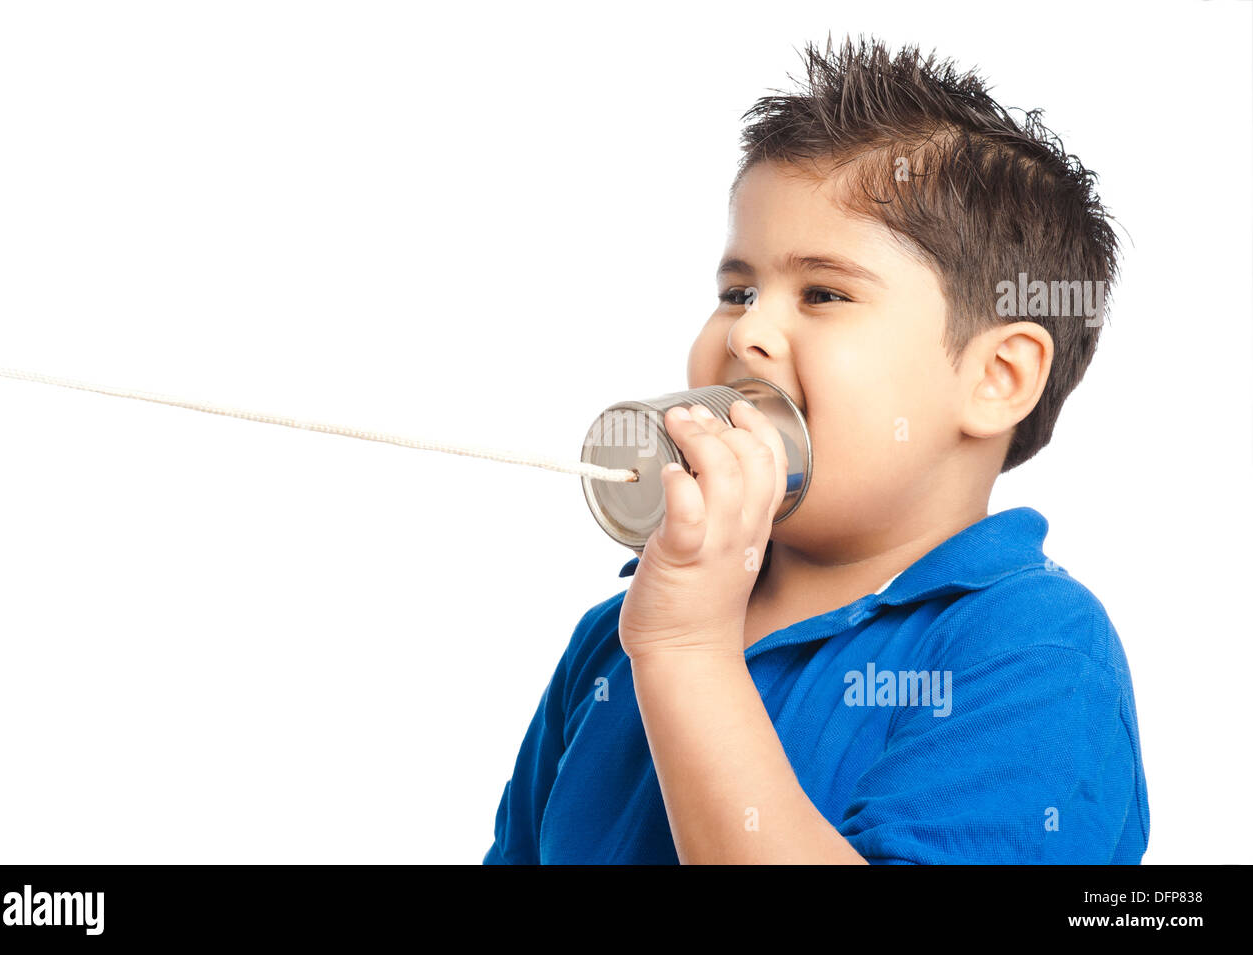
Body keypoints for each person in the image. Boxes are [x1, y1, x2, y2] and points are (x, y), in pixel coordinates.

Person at [482, 34, 1148, 865]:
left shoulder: (1035, 649)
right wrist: (668, 636)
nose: (750, 330)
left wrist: (691, 652)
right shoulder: (615, 641)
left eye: (823, 292)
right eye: (737, 291)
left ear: (995, 378)